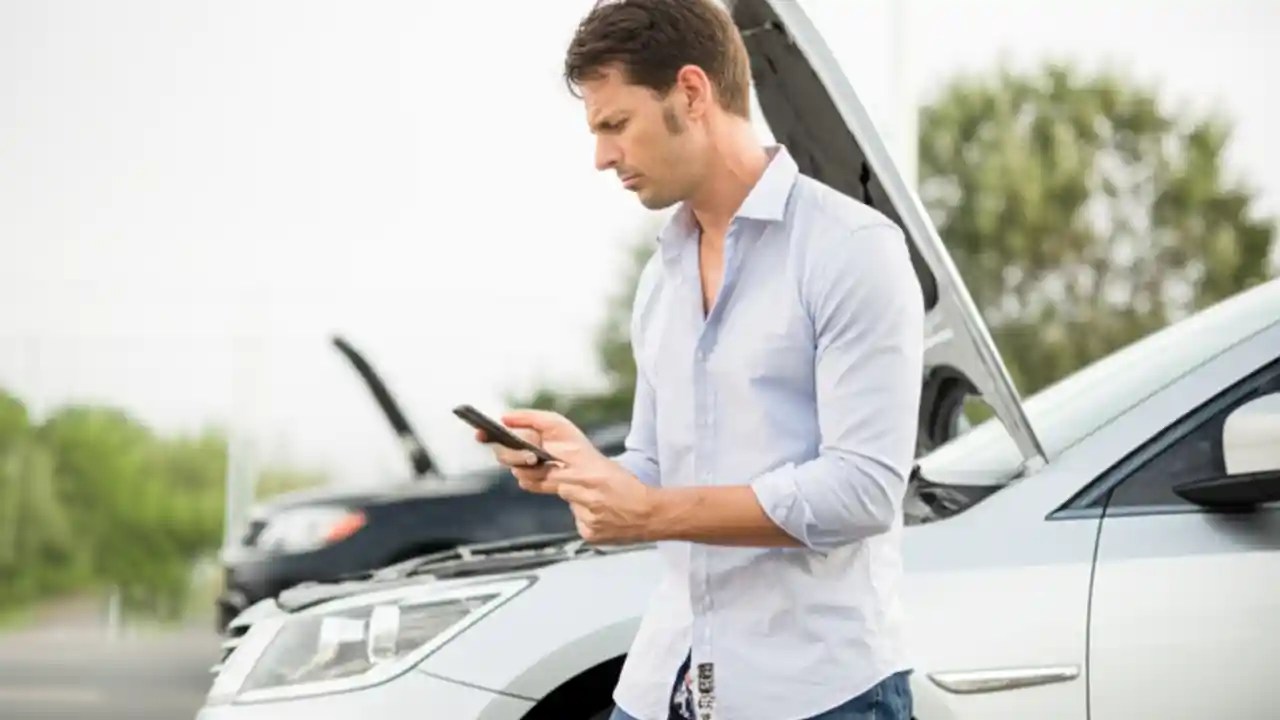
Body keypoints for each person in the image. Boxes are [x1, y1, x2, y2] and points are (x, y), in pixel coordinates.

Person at [477, 1, 922, 718]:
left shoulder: (851, 249)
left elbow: (864, 489)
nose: (601, 157)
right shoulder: (663, 276)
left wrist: (651, 512)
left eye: (614, 124)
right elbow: (658, 463)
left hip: (819, 694)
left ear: (691, 93)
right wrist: (582, 471)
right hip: (670, 679)